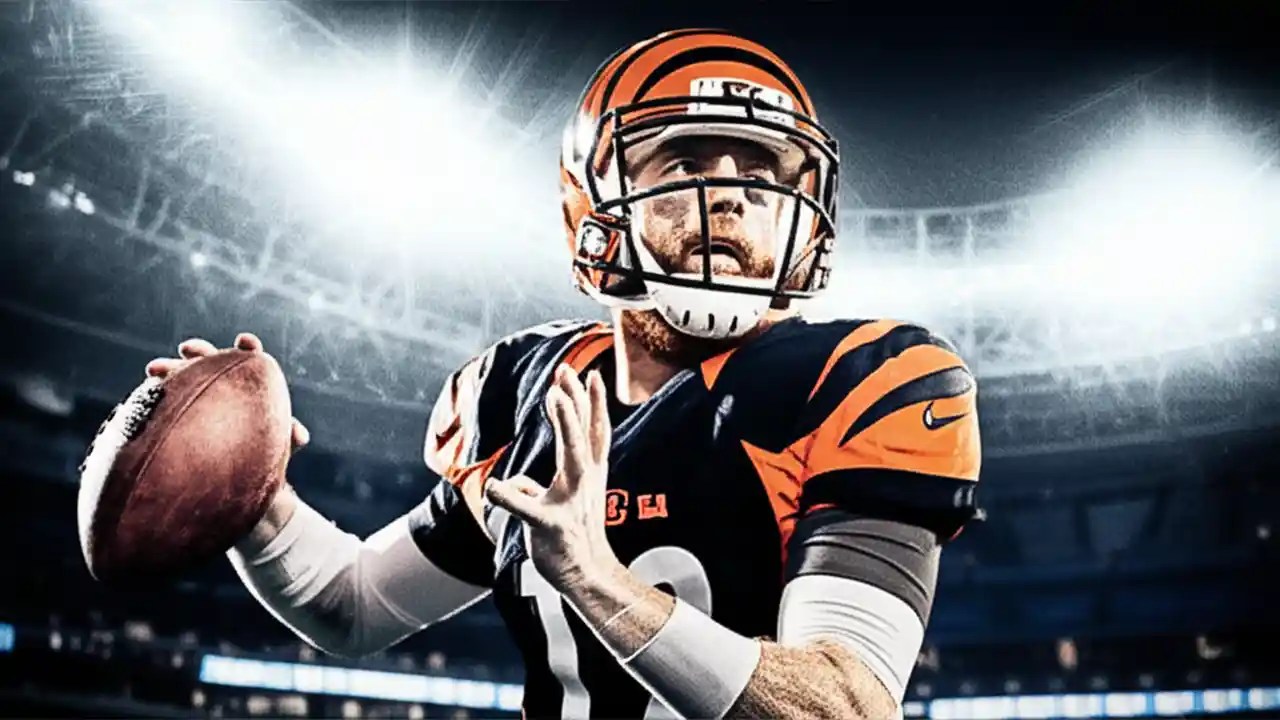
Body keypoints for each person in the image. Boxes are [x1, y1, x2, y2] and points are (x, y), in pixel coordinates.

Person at [146, 29, 983, 720]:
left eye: (762, 173)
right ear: (595, 200)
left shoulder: (856, 381)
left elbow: (844, 709)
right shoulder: (526, 392)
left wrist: (596, 579)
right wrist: (251, 496)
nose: (731, 194)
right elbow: (352, 606)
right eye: (685, 162)